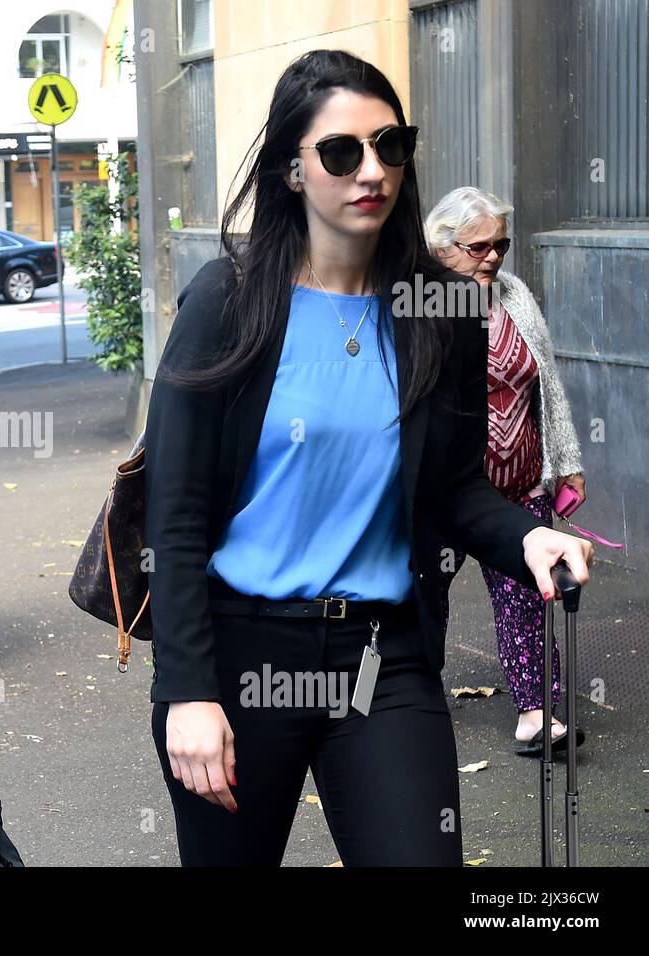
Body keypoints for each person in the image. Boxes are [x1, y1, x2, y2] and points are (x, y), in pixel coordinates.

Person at [144, 50, 595, 867]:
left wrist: (527, 537)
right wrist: (188, 690)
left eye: (390, 145)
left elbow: (455, 484)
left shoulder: (442, 308)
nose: (372, 170)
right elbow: (171, 517)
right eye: (342, 152)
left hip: (384, 661)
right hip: (242, 657)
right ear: (292, 168)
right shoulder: (227, 301)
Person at [426, 186, 586, 756]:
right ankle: (412, 699)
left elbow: (547, 384)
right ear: (442, 248)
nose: (492, 257)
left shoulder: (515, 296)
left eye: (501, 244)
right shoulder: (422, 302)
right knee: (424, 593)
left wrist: (566, 463)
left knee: (528, 591)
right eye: (477, 247)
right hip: (446, 488)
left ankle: (537, 713)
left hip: (521, 480)